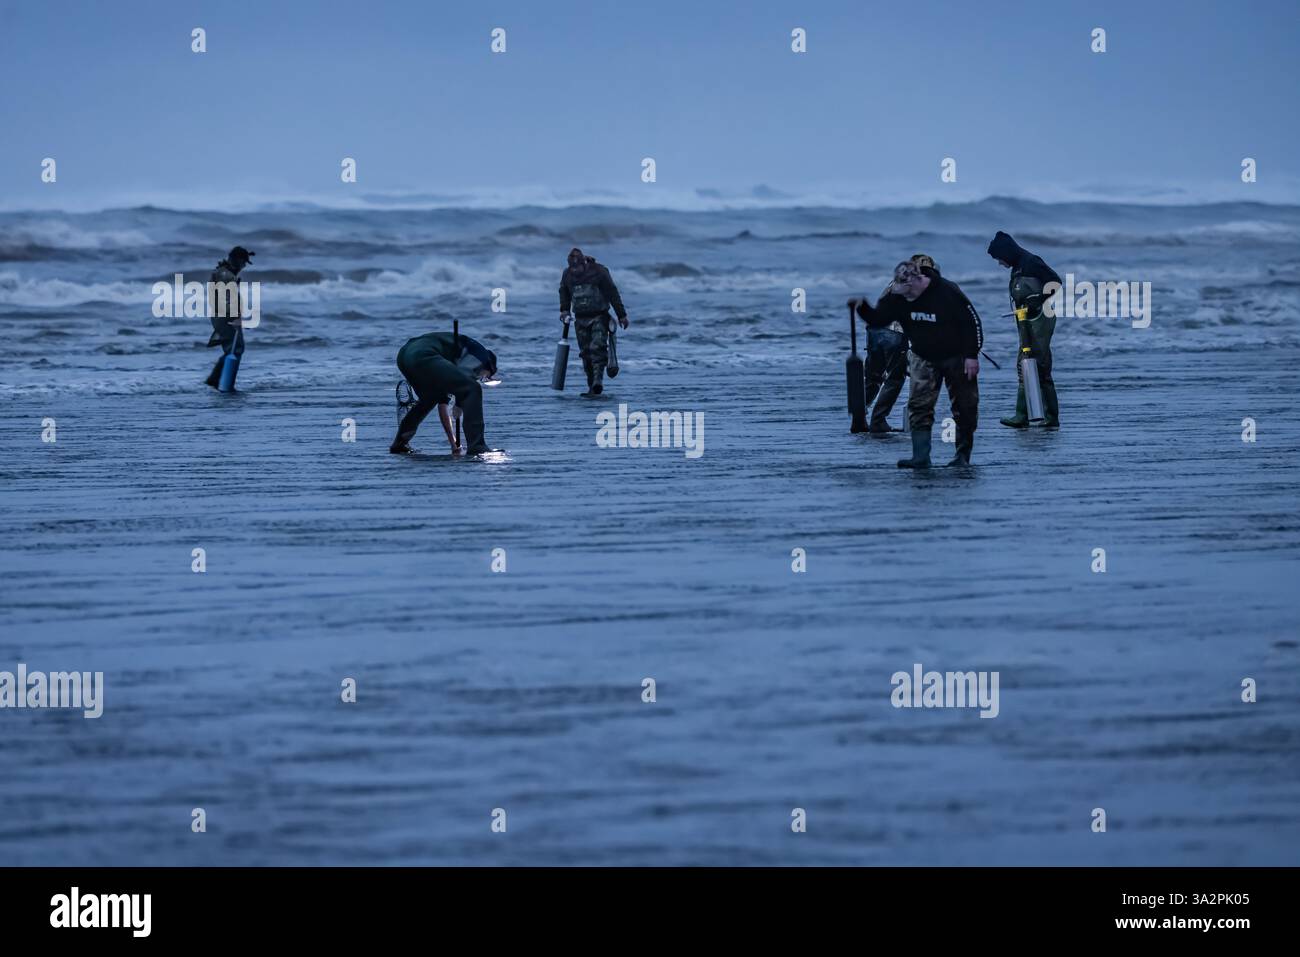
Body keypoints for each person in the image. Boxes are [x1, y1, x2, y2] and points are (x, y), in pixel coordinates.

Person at [851, 260, 983, 468]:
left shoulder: (947, 291)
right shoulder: (899, 295)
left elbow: (972, 323)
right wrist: (862, 308)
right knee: (919, 406)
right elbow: (880, 319)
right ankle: (921, 456)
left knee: (965, 407)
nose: (905, 297)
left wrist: (972, 355)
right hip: (923, 357)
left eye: (907, 292)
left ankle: (962, 455)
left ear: (917, 280)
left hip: (956, 356)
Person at [987, 231, 1062, 429]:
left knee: (1032, 364)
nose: (1000, 263)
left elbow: (1055, 282)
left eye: (999, 259)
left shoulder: (1031, 261)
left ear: (1006, 252)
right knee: (1034, 365)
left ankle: (1028, 416)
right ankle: (1043, 415)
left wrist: (1036, 301)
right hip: (1025, 320)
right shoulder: (1017, 266)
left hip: (1039, 319)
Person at [390, 330, 497, 455]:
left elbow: (443, 405)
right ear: (488, 366)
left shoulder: (449, 365)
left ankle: (400, 443)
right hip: (424, 354)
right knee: (474, 388)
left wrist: (454, 444)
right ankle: (477, 446)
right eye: (484, 377)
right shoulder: (481, 355)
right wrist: (459, 403)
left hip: (405, 355)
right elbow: (467, 383)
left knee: (430, 398)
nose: (480, 379)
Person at [558, 248, 628, 397]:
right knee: (585, 353)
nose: (575, 270)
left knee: (598, 349)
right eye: (573, 267)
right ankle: (591, 385)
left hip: (599, 316)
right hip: (580, 319)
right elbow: (564, 292)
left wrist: (621, 315)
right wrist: (564, 311)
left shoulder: (599, 271)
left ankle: (598, 381)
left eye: (578, 267)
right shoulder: (567, 274)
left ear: (584, 262)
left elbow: (612, 292)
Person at [204, 245, 254, 390]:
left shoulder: (223, 273)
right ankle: (224, 383)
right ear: (237, 260)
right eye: (244, 262)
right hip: (226, 316)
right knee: (236, 349)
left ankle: (214, 380)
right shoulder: (226, 276)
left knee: (231, 349)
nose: (244, 266)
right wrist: (236, 317)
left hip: (220, 315)